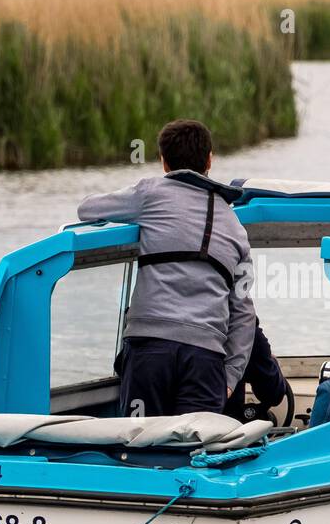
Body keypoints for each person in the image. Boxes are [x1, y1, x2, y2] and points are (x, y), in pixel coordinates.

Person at [77, 119, 256, 417]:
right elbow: (244, 312)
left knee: (141, 440)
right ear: (209, 160)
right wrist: (230, 377)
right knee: (198, 446)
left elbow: (87, 209)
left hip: (150, 352)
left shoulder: (149, 193)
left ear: (163, 161)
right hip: (205, 360)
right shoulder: (236, 228)